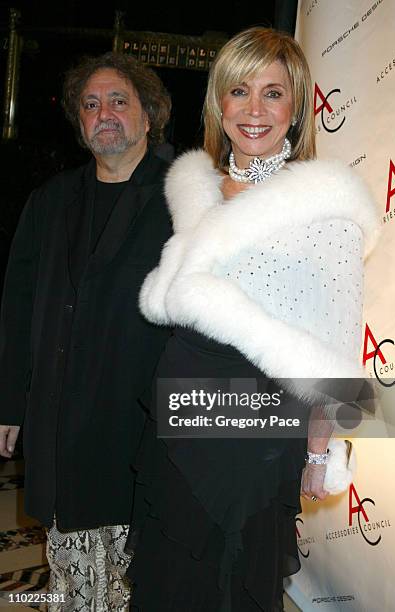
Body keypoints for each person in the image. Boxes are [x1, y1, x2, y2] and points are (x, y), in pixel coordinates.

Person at [124, 27, 379, 611]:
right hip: (178, 411)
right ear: (218, 103)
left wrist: (319, 450)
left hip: (258, 427)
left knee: (232, 582)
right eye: (239, 91)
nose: (255, 110)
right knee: (170, 577)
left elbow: (336, 343)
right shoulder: (196, 190)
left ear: (298, 106)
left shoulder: (325, 200)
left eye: (274, 93)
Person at [0, 52, 172, 610]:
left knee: (140, 576)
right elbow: (17, 307)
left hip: (142, 421)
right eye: (91, 105)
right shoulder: (49, 202)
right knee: (72, 575)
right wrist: (10, 403)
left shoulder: (184, 197)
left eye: (119, 101)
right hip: (61, 420)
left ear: (149, 114)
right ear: (79, 123)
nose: (105, 115)